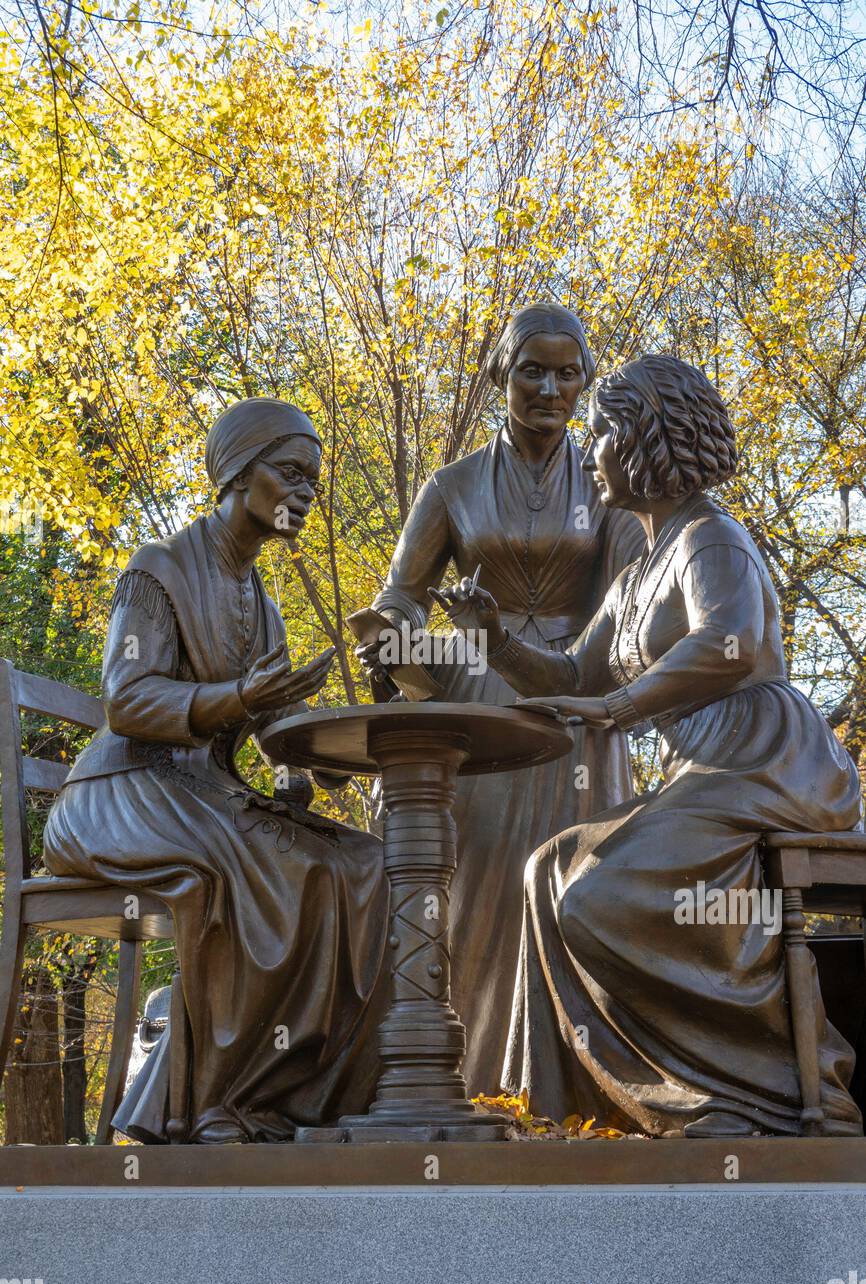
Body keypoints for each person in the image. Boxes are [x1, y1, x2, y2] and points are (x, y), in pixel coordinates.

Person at [433, 354, 863, 1136]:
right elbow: (571, 669)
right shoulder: (637, 575)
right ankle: (580, 1104)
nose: (587, 450)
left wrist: (619, 707)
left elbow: (729, 643)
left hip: (764, 759)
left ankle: (748, 1089)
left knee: (601, 893)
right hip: (706, 768)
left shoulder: (712, 539)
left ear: (642, 440)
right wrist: (490, 639)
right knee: (545, 871)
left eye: (599, 432)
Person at [44, 398, 389, 1143]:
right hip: (121, 792)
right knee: (260, 868)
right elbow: (128, 698)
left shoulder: (263, 604)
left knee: (363, 863)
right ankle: (210, 1105)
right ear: (238, 471)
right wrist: (235, 696)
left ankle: (301, 1095)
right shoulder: (158, 570)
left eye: (312, 482)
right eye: (291, 473)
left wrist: (335, 751)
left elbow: (272, 733)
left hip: (201, 795)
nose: (303, 493)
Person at [357, 303, 644, 1095]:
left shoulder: (608, 481)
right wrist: (387, 631)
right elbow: (402, 595)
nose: (550, 387)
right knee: (472, 883)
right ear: (500, 375)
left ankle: (571, 1085)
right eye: (531, 369)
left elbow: (633, 590)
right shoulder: (450, 487)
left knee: (569, 885)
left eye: (567, 372)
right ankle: (463, 1078)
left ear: (584, 382)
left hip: (572, 701)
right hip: (475, 697)